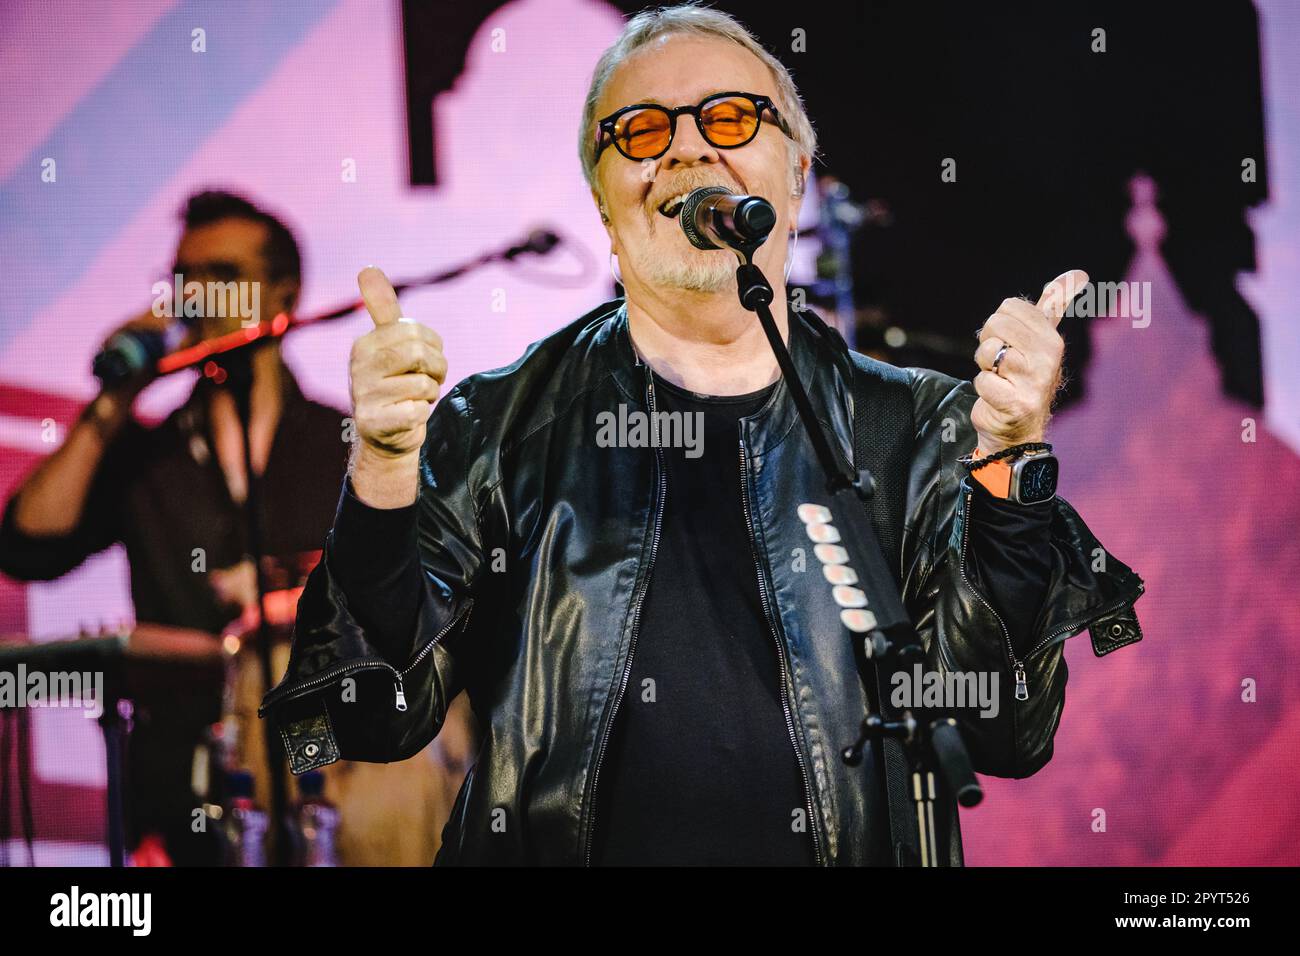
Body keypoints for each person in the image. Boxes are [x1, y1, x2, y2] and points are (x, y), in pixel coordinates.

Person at [261, 6, 1144, 866]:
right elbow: (370, 717)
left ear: (797, 177)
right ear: (605, 207)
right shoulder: (499, 426)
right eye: (640, 131)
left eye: (728, 116)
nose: (686, 147)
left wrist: (1010, 462)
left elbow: (1003, 730)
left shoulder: (915, 428)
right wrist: (379, 470)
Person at [0, 190, 470, 865]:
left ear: (283, 294)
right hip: (187, 780)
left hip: (333, 769)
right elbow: (28, 545)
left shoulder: (348, 442)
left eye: (223, 277)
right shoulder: (144, 455)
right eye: (185, 278)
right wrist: (114, 401)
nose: (198, 297)